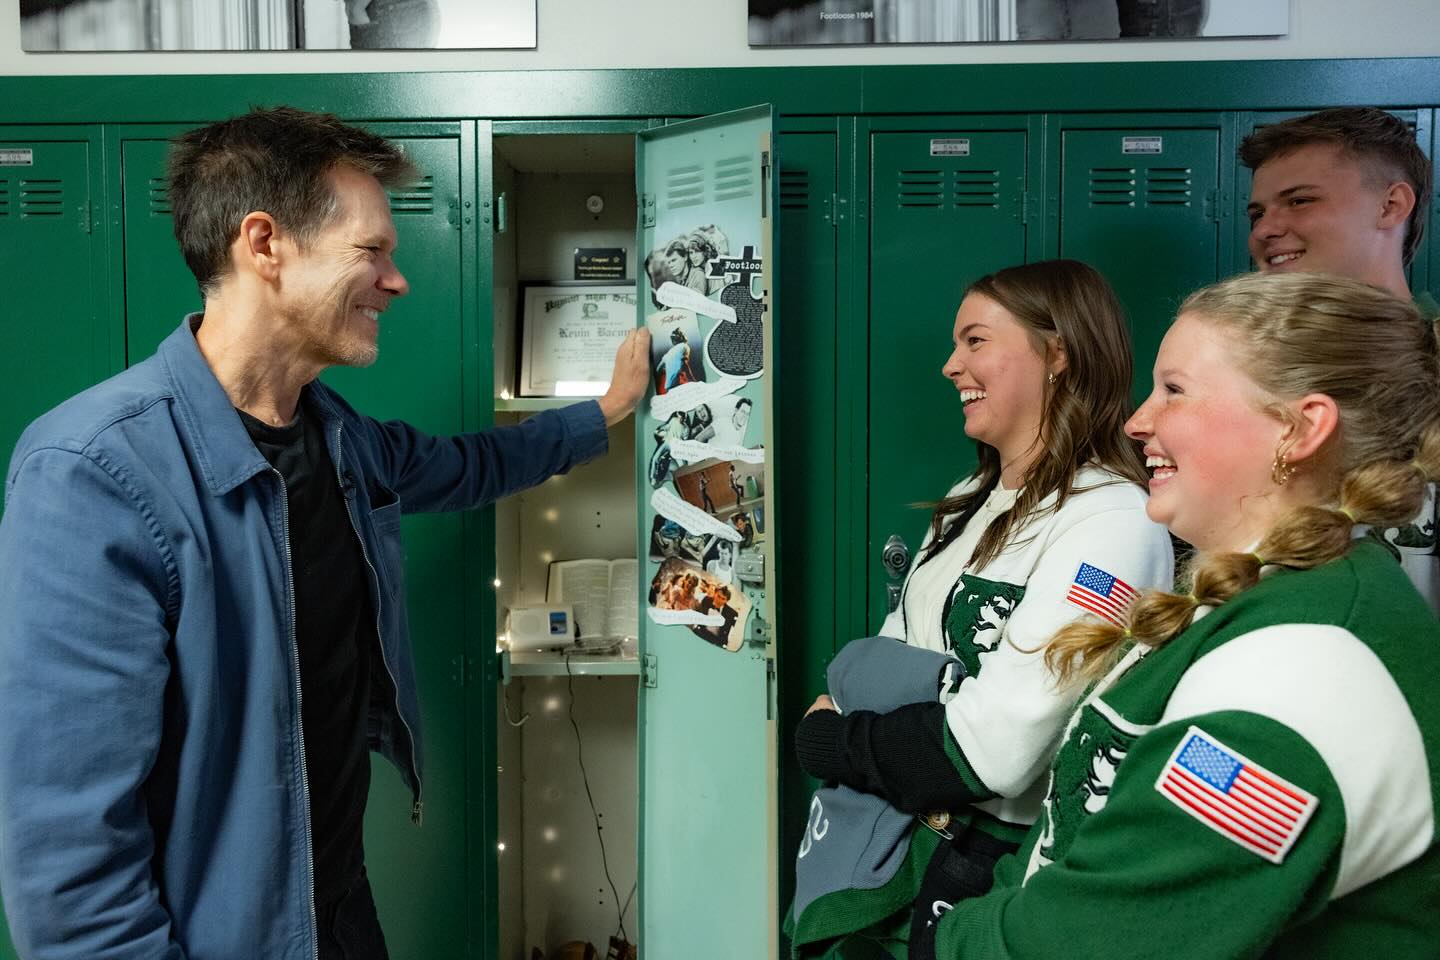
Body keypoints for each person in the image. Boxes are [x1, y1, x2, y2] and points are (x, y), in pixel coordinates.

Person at [0, 107, 650, 960]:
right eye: (372, 250)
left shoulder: (336, 438)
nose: (397, 279)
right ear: (264, 244)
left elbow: (466, 466)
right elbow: (70, 862)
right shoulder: (94, 472)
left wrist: (603, 413)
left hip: (338, 911)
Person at [916, 271, 1440, 960]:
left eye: (1175, 390)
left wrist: (943, 941)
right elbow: (1068, 830)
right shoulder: (1264, 593)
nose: (1137, 421)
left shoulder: (1303, 674)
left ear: (1301, 429)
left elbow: (1092, 945)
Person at [789, 260, 1173, 957]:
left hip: (995, 871)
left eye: (974, 341)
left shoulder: (1112, 521)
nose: (949, 365)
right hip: (902, 840)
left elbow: (993, 751)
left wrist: (834, 744)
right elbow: (873, 666)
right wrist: (900, 708)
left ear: (1057, 354)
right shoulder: (969, 499)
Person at [1242, 107, 1438, 609]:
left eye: (1300, 200)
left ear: (1391, 205)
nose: (1266, 229)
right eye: (1258, 212)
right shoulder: (1241, 373)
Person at [655, 326, 694, 393]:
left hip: (668, 387)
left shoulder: (667, 354)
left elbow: (658, 370)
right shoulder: (684, 346)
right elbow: (684, 363)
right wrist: (692, 380)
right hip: (679, 384)